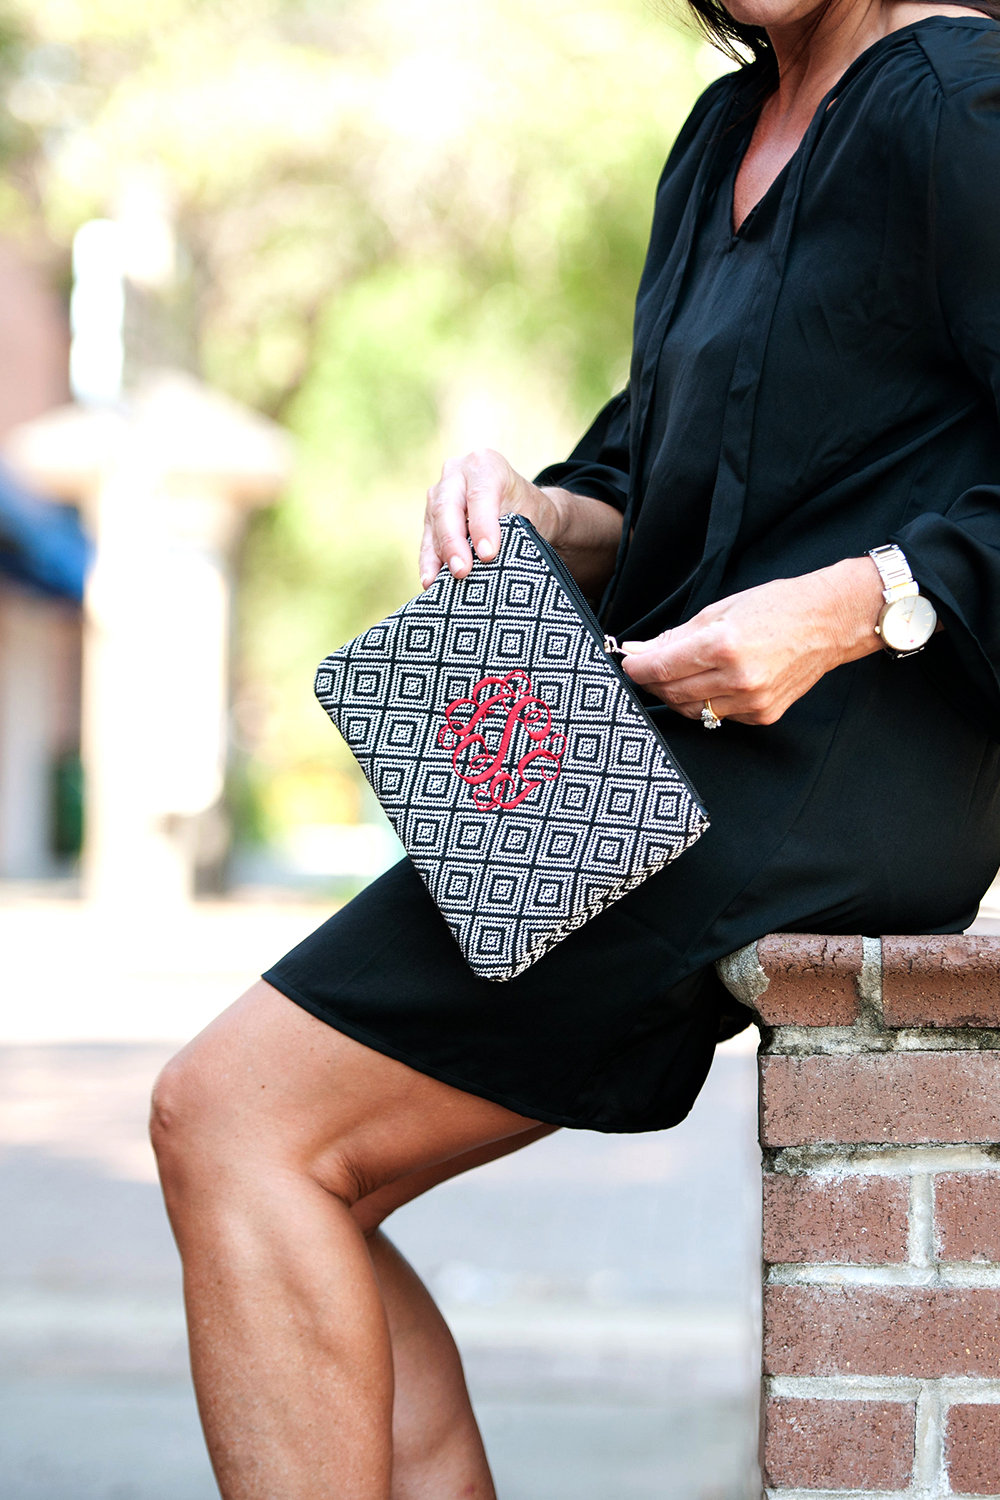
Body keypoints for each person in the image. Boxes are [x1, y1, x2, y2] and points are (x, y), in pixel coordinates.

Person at [151, 0, 1000, 1494]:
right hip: (649, 754)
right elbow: (653, 477)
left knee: (233, 1123)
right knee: (287, 1174)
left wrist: (856, 603)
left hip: (835, 771)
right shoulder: (717, 140)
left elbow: (855, 545)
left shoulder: (961, 96)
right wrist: (540, 512)